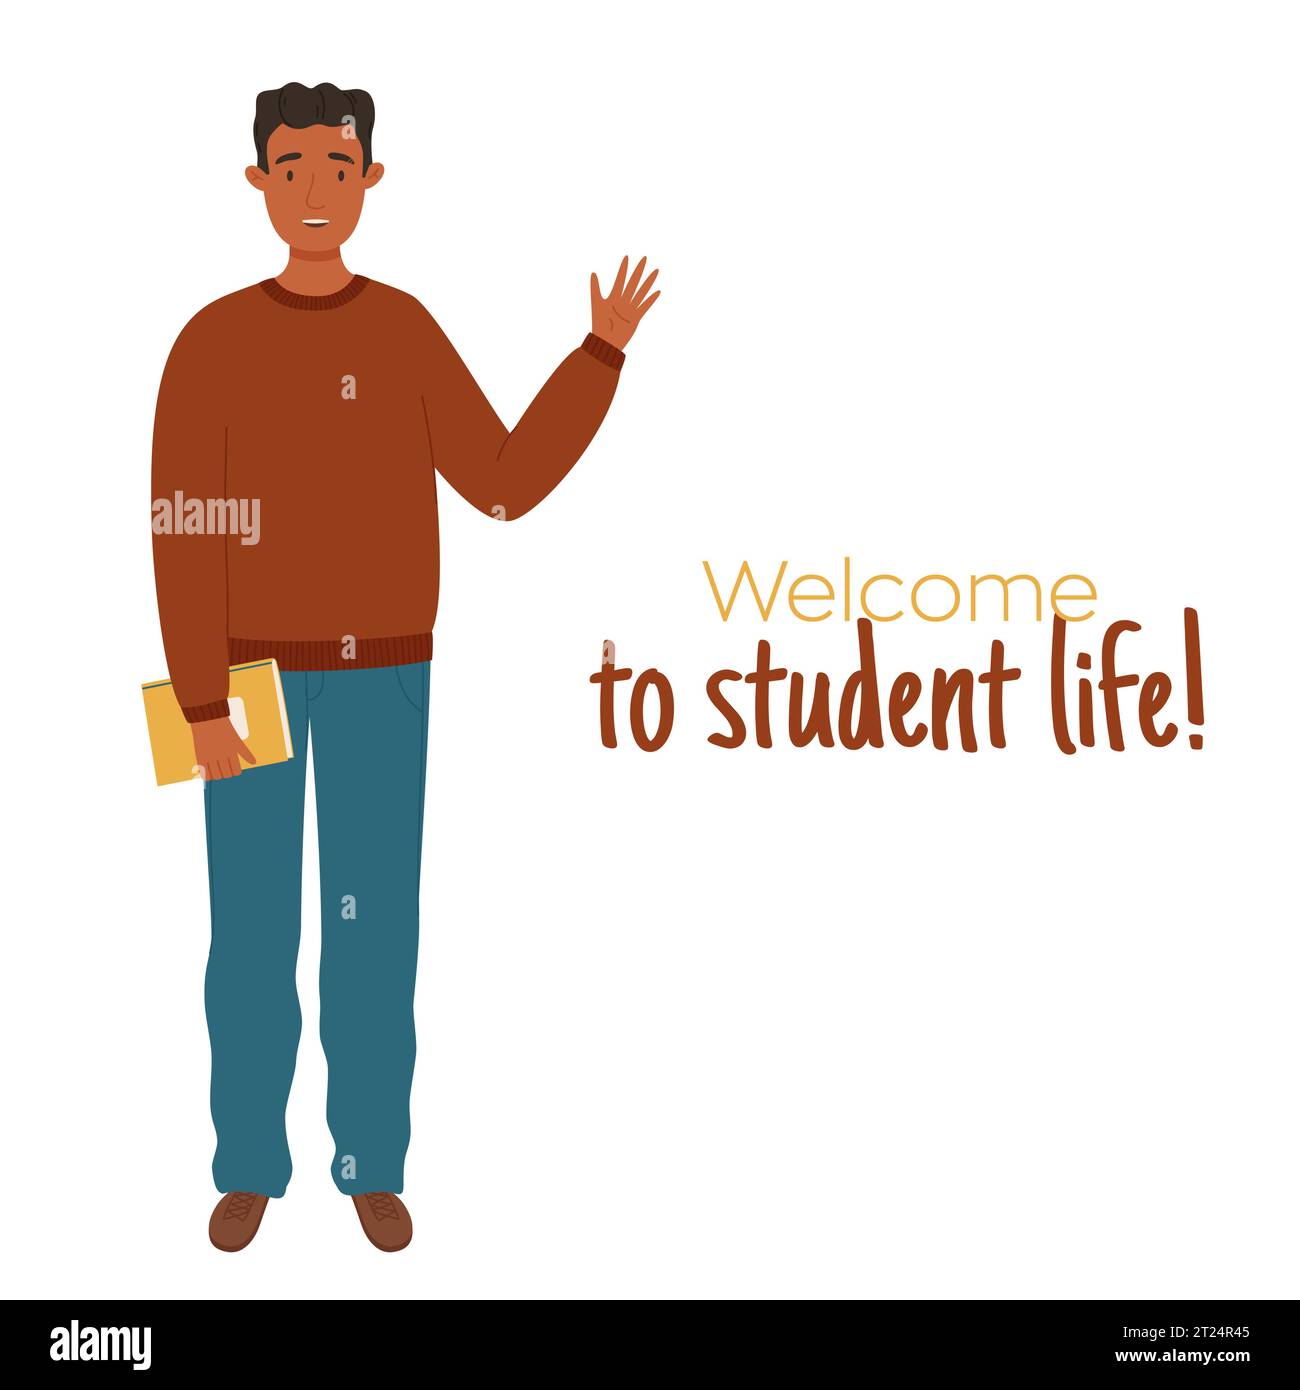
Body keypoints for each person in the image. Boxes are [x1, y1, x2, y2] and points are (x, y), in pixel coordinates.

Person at [151, 81, 659, 1252]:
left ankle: (369, 1159)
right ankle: (246, 1165)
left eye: (338, 170)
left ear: (370, 181)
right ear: (259, 184)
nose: (316, 194)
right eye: (293, 171)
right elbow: (185, 525)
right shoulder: (212, 342)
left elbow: (500, 482)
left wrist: (596, 357)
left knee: (373, 927)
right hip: (245, 678)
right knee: (250, 929)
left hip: (386, 673)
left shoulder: (403, 331)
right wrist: (199, 700)